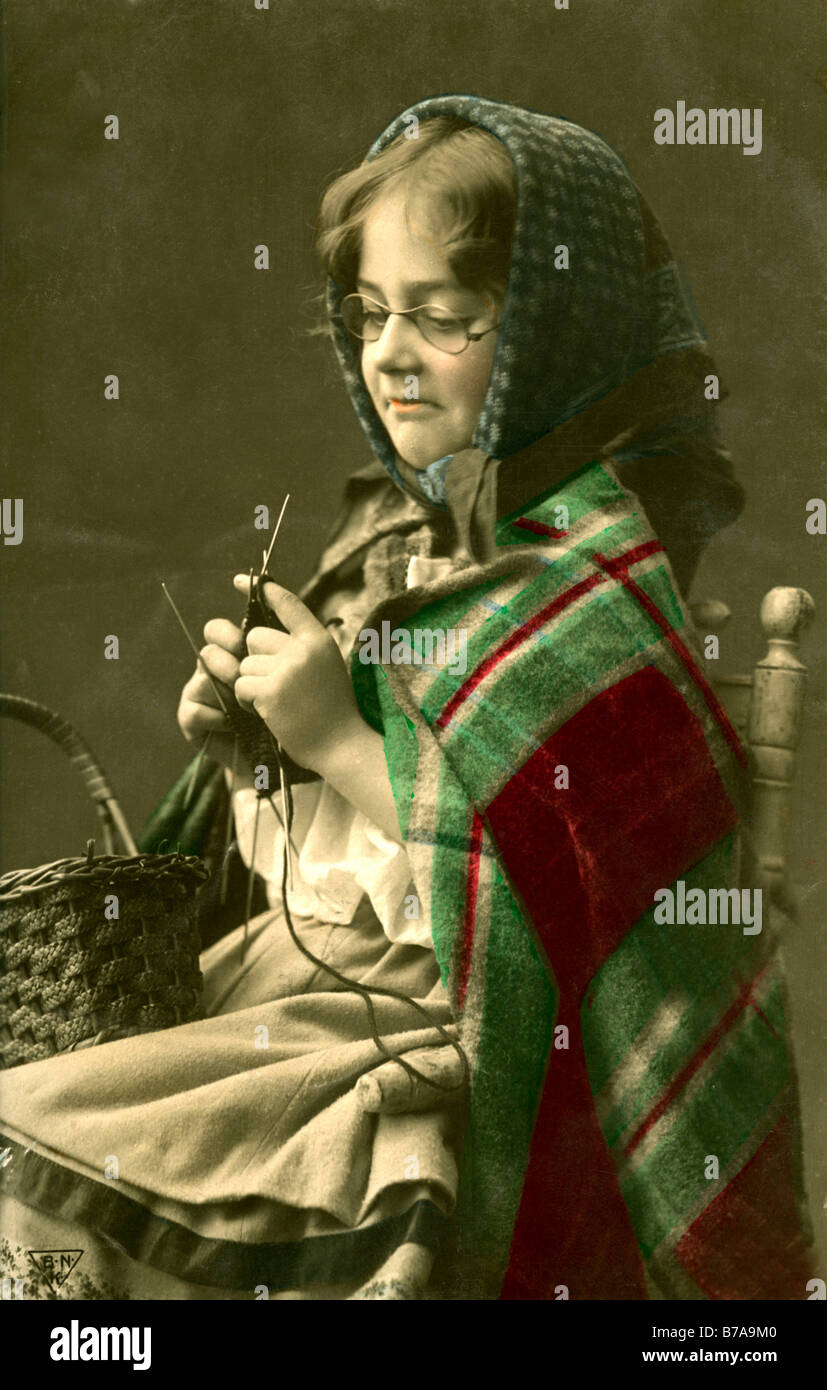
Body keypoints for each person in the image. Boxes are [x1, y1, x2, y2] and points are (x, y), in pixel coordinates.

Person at [0, 95, 818, 1302]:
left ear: (552, 334)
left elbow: (539, 918)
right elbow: (328, 861)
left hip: (454, 1063)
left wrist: (332, 732)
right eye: (371, 314)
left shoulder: (585, 603)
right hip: (298, 990)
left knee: (38, 1146)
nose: (388, 351)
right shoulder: (389, 544)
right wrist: (253, 762)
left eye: (443, 318)